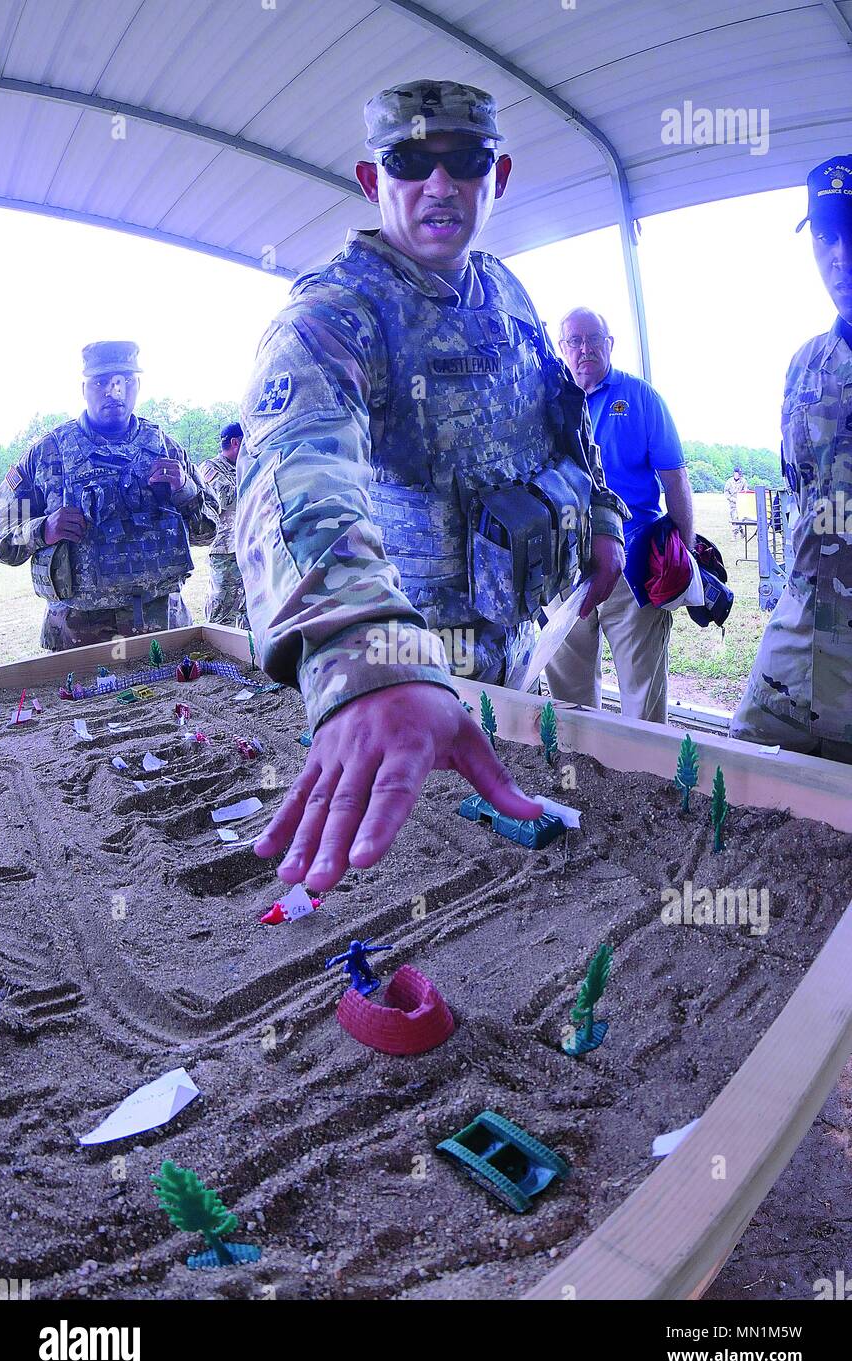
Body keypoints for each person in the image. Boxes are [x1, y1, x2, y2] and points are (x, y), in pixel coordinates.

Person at [235, 80, 629, 892]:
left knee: (513, 883)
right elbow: (294, 473)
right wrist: (365, 653)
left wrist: (601, 517)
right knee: (420, 892)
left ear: (500, 176)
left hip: (515, 637)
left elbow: (563, 420)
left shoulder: (508, 294)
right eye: (410, 162)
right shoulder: (336, 310)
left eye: (465, 162)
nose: (439, 185)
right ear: (372, 181)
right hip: (409, 684)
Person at [732, 156, 852, 762]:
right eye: (828, 235)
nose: (842, 256)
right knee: (744, 784)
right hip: (801, 640)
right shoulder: (806, 365)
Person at [0, 342, 218, 651]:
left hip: (162, 624)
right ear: (83, 388)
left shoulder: (167, 449)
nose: (114, 391)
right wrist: (43, 529)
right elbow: (0, 535)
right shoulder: (47, 455)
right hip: (77, 633)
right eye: (101, 382)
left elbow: (210, 531)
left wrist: (184, 490)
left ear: (138, 384)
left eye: (124, 380)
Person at [543, 308, 694, 724]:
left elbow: (675, 480)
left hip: (635, 567)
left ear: (611, 343)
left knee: (642, 699)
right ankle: (577, 781)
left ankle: (649, 782)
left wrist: (685, 555)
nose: (585, 348)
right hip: (564, 571)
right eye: (574, 341)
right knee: (568, 700)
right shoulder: (545, 401)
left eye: (595, 338)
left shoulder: (642, 398)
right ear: (562, 348)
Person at [201, 422, 250, 629]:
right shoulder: (210, 467)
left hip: (248, 548)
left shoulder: (244, 468)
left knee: (250, 613)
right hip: (225, 551)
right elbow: (224, 497)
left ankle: (249, 659)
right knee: (223, 614)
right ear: (235, 442)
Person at [724, 466, 746, 537]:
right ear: (734, 473)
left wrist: (742, 499)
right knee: (734, 518)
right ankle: (741, 530)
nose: (738, 475)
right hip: (732, 503)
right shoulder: (729, 481)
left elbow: (746, 491)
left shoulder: (743, 481)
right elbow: (726, 491)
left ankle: (734, 534)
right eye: (737, 473)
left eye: (739, 473)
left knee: (737, 518)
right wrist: (731, 499)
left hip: (741, 503)